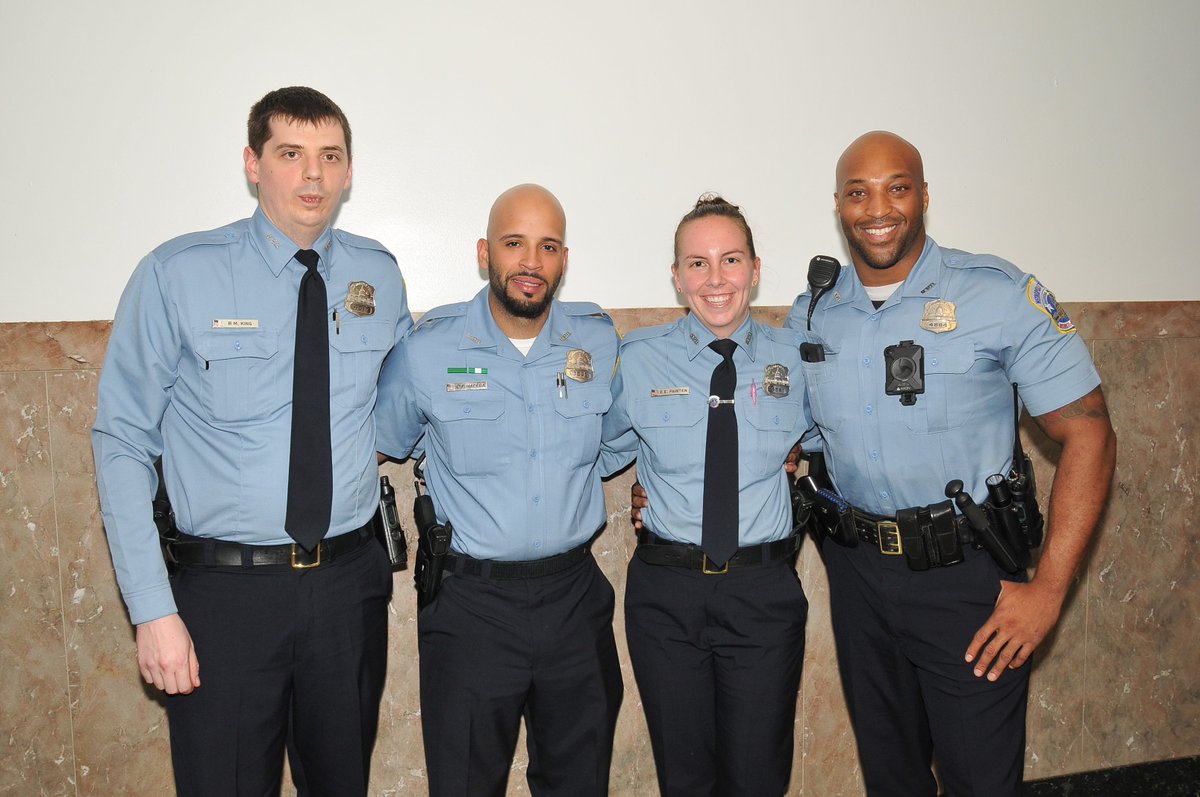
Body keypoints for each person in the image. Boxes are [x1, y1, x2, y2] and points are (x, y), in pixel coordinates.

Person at [92, 86, 411, 796]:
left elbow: (398, 412)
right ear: (252, 163)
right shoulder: (178, 274)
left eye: (330, 157)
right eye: (290, 154)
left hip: (345, 591)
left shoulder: (379, 277)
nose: (312, 176)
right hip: (224, 599)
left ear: (350, 171)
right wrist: (151, 609)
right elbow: (120, 440)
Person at [784, 131, 1117, 795]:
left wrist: (1049, 590)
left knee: (980, 782)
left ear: (925, 196)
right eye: (859, 192)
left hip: (965, 584)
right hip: (857, 577)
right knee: (892, 777)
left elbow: (1090, 434)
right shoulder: (813, 314)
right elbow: (789, 438)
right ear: (838, 207)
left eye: (896, 187)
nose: (877, 207)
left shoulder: (994, 295)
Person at [374, 184, 624, 796]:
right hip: (470, 608)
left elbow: (619, 440)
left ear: (564, 259)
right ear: (485, 252)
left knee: (579, 782)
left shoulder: (596, 340)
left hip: (574, 599)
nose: (531, 263)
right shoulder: (428, 350)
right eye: (515, 244)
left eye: (547, 247)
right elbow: (379, 446)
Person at [602, 195, 811, 796]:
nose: (715, 280)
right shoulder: (638, 361)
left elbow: (829, 440)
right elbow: (595, 453)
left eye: (730, 260)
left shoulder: (795, 361)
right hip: (668, 594)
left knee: (757, 774)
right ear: (675, 276)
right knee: (685, 774)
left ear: (755, 268)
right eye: (697, 263)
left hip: (762, 593)